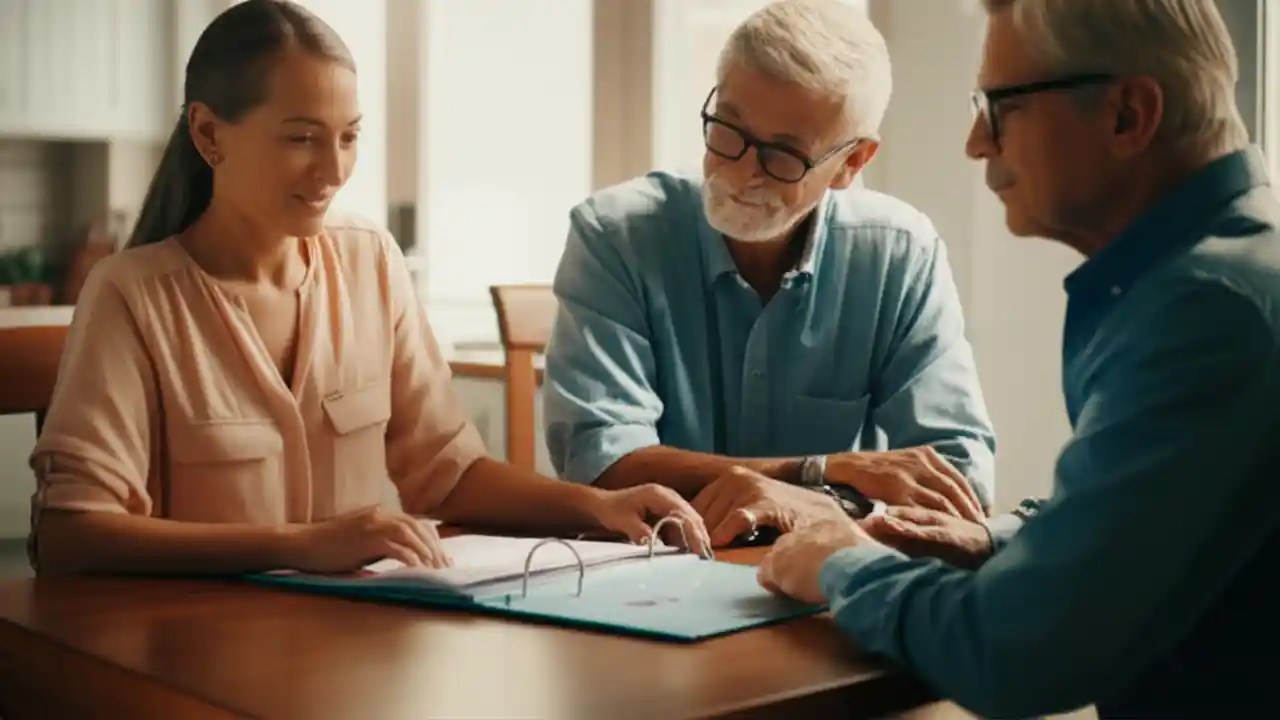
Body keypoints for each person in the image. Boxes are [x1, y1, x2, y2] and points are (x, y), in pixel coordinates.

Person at [27, 0, 710, 577]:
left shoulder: (371, 262)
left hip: (361, 647)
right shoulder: (132, 295)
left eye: (349, 137)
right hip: (195, 656)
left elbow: (448, 473)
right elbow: (71, 531)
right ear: (209, 134)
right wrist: (301, 545)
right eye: (301, 138)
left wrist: (594, 506)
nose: (333, 169)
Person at [758, 0, 1277, 716]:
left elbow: (1012, 651)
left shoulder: (1207, 313)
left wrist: (841, 565)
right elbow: (1158, 534)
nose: (976, 142)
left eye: (1001, 107)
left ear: (1128, 115)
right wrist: (992, 542)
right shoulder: (1236, 274)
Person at [543, 0, 995, 547]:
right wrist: (816, 474)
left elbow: (957, 478)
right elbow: (600, 462)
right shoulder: (616, 235)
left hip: (834, 584)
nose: (741, 172)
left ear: (852, 164)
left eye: (782, 155)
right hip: (650, 573)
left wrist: (807, 504)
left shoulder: (899, 254)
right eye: (728, 130)